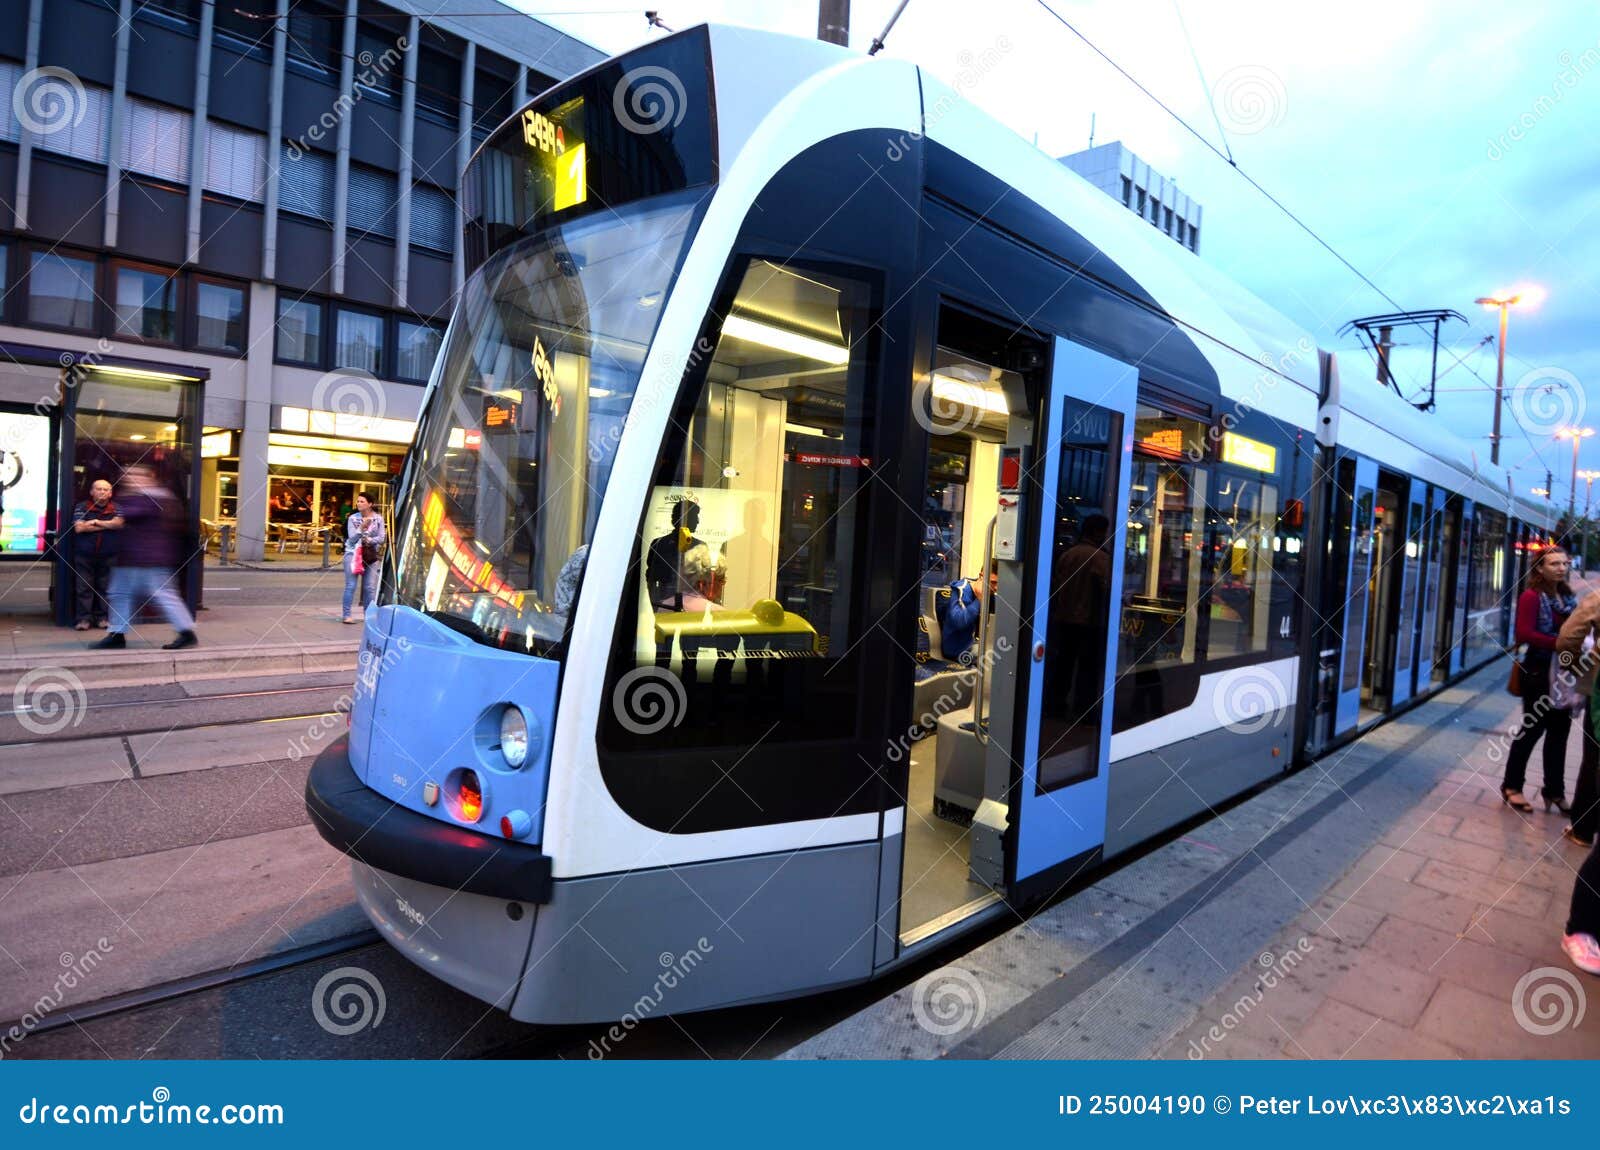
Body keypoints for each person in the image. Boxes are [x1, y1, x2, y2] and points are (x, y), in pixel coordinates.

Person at [1502, 546, 1577, 812]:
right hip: (1537, 671)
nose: (1560, 568)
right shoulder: (1532, 597)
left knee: (1560, 733)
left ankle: (1554, 790)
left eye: (1564, 563)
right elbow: (1524, 634)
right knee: (1532, 730)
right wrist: (1559, 643)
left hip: (1564, 674)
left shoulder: (1568, 598)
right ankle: (1512, 786)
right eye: (1554, 564)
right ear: (1540, 569)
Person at [89, 465, 197, 650]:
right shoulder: (153, 496)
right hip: (135, 558)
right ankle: (117, 633)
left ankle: (186, 632)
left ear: (149, 477)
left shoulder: (150, 497)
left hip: (148, 559)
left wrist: (120, 505)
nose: (129, 478)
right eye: (127, 475)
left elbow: (127, 516)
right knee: (120, 594)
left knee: (161, 595)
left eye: (134, 475)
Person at [70, 478, 120, 630]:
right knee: (83, 587)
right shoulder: (81, 507)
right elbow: (79, 528)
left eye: (106, 489)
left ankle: (102, 618)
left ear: (110, 493)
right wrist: (107, 525)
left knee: (105, 587)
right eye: (99, 489)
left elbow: (119, 524)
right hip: (85, 554)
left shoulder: (117, 507)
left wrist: (94, 522)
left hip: (109, 554)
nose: (102, 492)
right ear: (92, 492)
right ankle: (83, 620)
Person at [343, 490, 385, 623]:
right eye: (358, 501)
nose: (359, 503)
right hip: (353, 554)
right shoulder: (353, 518)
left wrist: (370, 541)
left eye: (362, 501)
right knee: (351, 585)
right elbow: (351, 539)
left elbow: (381, 538)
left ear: (370, 504)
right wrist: (361, 527)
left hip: (370, 555)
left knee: (369, 587)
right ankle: (346, 615)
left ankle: (369, 616)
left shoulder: (378, 518)